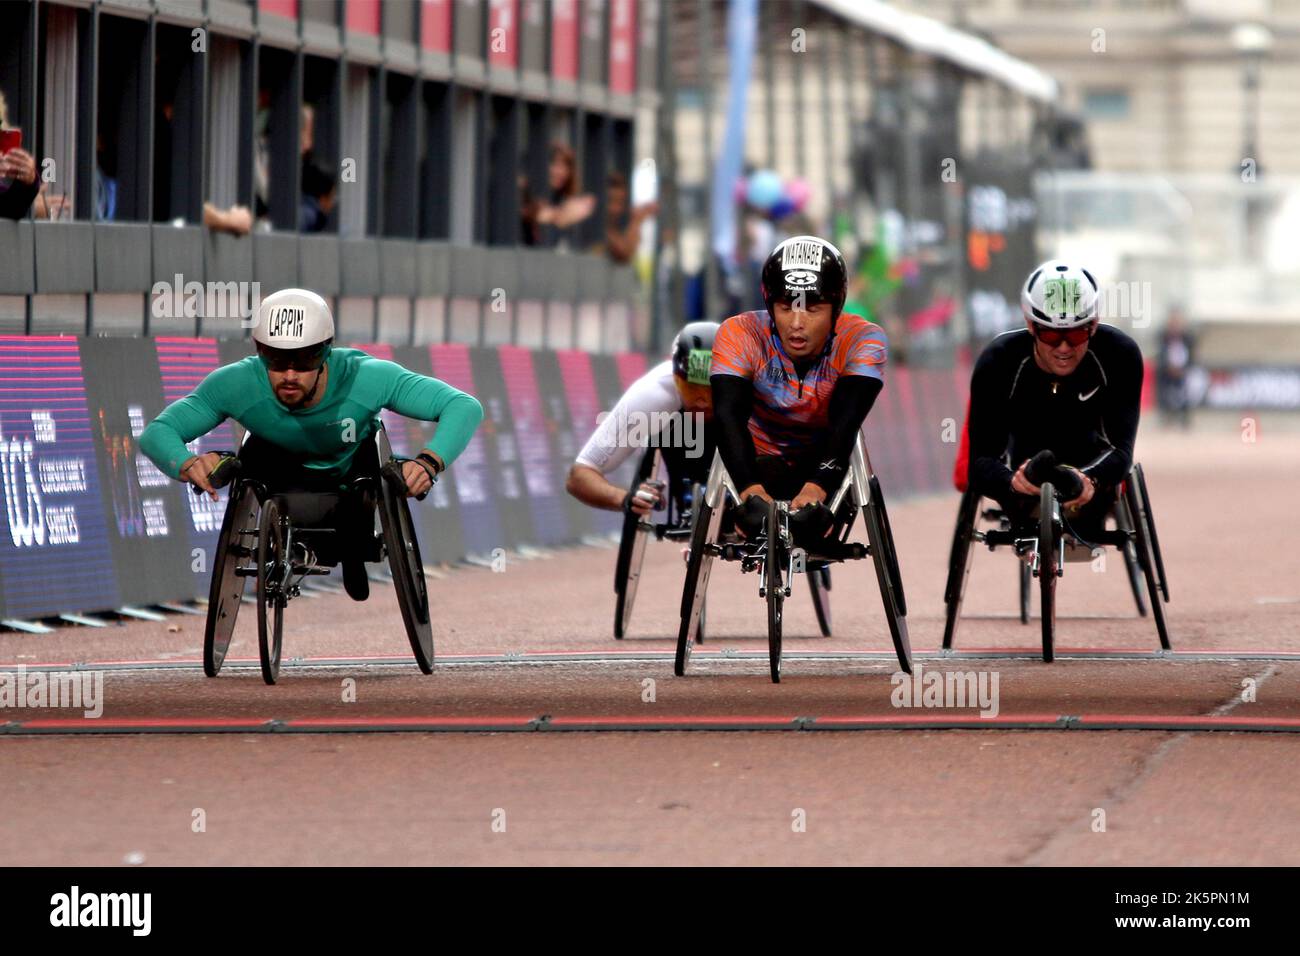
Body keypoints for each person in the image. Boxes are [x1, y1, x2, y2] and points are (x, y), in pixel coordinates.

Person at [138, 288, 483, 601]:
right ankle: (285, 544)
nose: (289, 374)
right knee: (247, 454)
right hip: (277, 474)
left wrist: (428, 462)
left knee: (363, 491)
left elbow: (463, 406)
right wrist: (185, 462)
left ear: (325, 353)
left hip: (351, 478)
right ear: (260, 351)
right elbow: (158, 431)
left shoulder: (367, 376)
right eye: (275, 359)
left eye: (304, 360)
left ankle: (350, 549)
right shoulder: (234, 383)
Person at [710, 235, 888, 545]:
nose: (796, 323)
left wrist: (816, 488)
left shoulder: (864, 339)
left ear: (836, 309)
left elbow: (846, 424)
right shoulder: (739, 333)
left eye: (813, 308)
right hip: (756, 463)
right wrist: (750, 491)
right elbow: (727, 417)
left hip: (824, 460)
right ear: (770, 305)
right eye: (785, 306)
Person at [967, 260, 1144, 542]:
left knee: (1084, 481)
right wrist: (1011, 481)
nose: (1063, 348)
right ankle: (1041, 477)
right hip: (1024, 470)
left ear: (1094, 325)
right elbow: (979, 462)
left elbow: (1122, 450)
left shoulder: (1120, 355)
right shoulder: (998, 360)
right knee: (1029, 472)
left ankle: (1069, 482)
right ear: (1030, 326)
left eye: (1075, 334)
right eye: (1050, 334)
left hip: (1090, 470)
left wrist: (1090, 480)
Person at [566, 321, 718, 518]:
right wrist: (627, 499)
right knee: (676, 423)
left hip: (734, 424)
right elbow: (579, 476)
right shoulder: (654, 394)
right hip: (680, 434)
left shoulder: (752, 386)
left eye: (711, 391)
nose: (702, 402)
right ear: (676, 378)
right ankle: (689, 500)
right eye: (692, 389)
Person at [1157, 308, 1196, 429]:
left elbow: (1192, 355)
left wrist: (1183, 369)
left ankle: (1184, 420)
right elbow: (1161, 353)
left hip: (1183, 371)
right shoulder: (1163, 336)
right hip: (1167, 370)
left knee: (1185, 394)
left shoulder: (1188, 337)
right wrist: (1168, 367)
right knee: (1165, 393)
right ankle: (1167, 419)